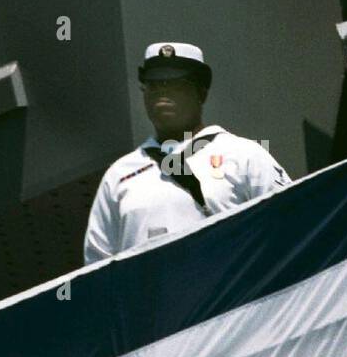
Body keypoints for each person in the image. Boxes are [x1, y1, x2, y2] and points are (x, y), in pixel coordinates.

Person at [84, 43, 290, 263]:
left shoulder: (244, 155)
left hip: (228, 295)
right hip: (148, 296)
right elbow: (98, 267)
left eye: (175, 84)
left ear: (201, 93)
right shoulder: (119, 175)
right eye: (154, 85)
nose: (163, 92)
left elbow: (289, 225)